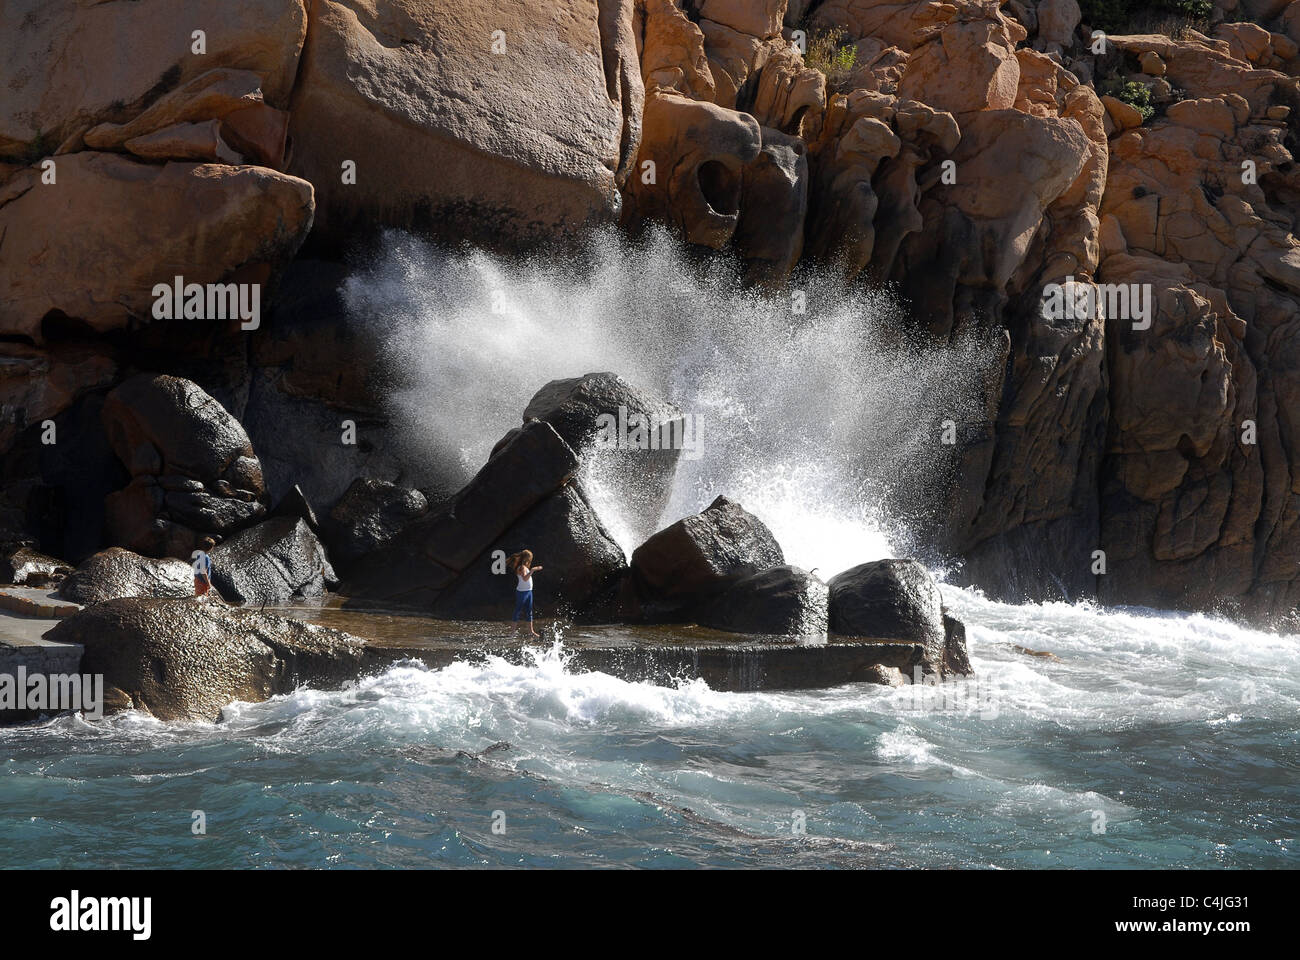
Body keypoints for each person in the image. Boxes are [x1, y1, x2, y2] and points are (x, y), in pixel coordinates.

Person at [505, 549, 543, 638]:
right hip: (522, 593)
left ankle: (531, 631)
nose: (530, 560)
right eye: (530, 558)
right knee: (518, 610)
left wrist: (531, 570)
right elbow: (525, 578)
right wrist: (533, 570)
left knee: (529, 611)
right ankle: (512, 632)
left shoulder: (525, 567)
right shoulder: (521, 567)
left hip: (529, 592)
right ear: (526, 558)